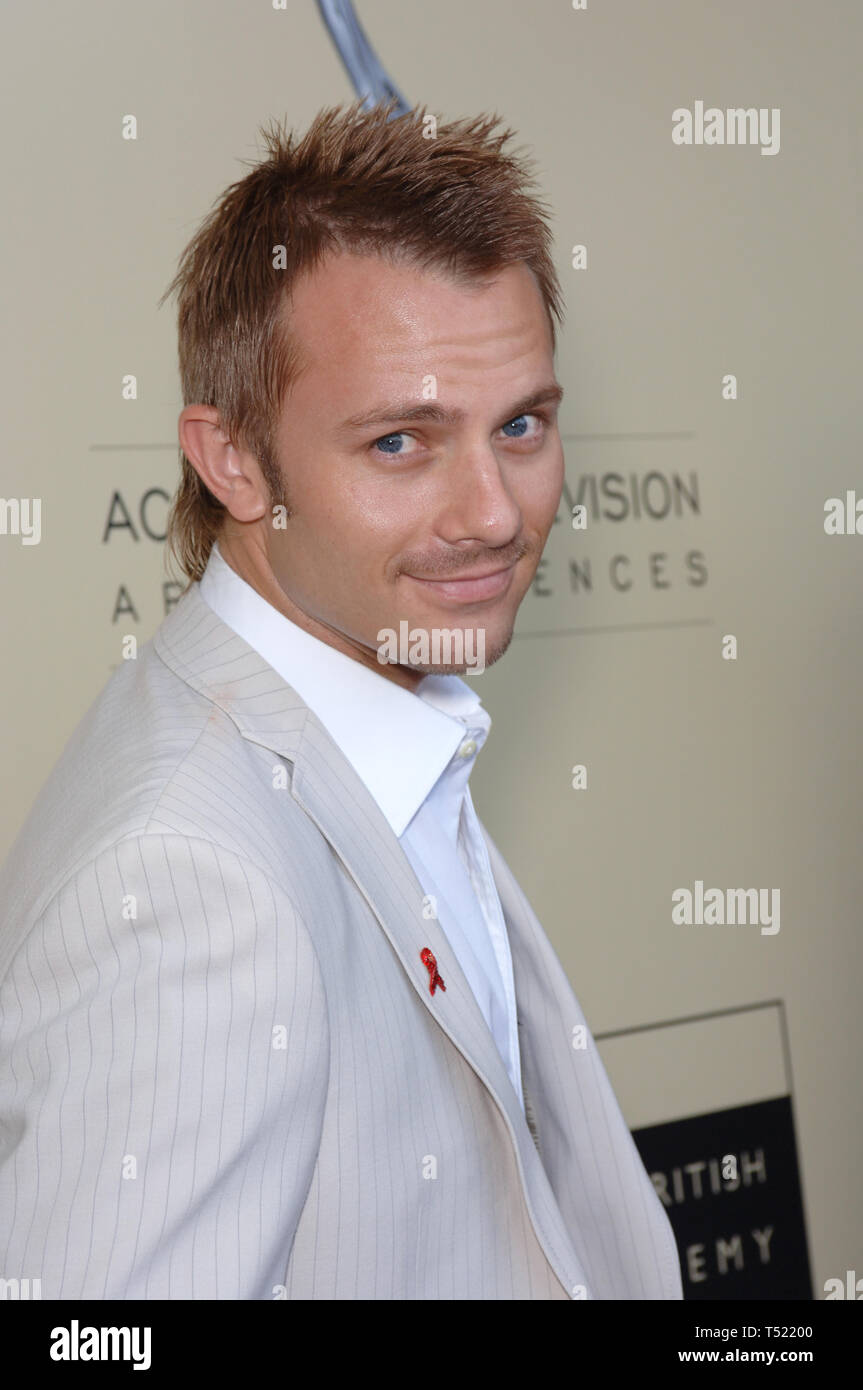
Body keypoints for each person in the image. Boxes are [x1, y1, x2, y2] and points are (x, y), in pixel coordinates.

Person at [0, 100, 682, 1300]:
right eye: (400, 444)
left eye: (519, 424)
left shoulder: (379, 716)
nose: (492, 510)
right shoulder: (189, 881)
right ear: (235, 460)